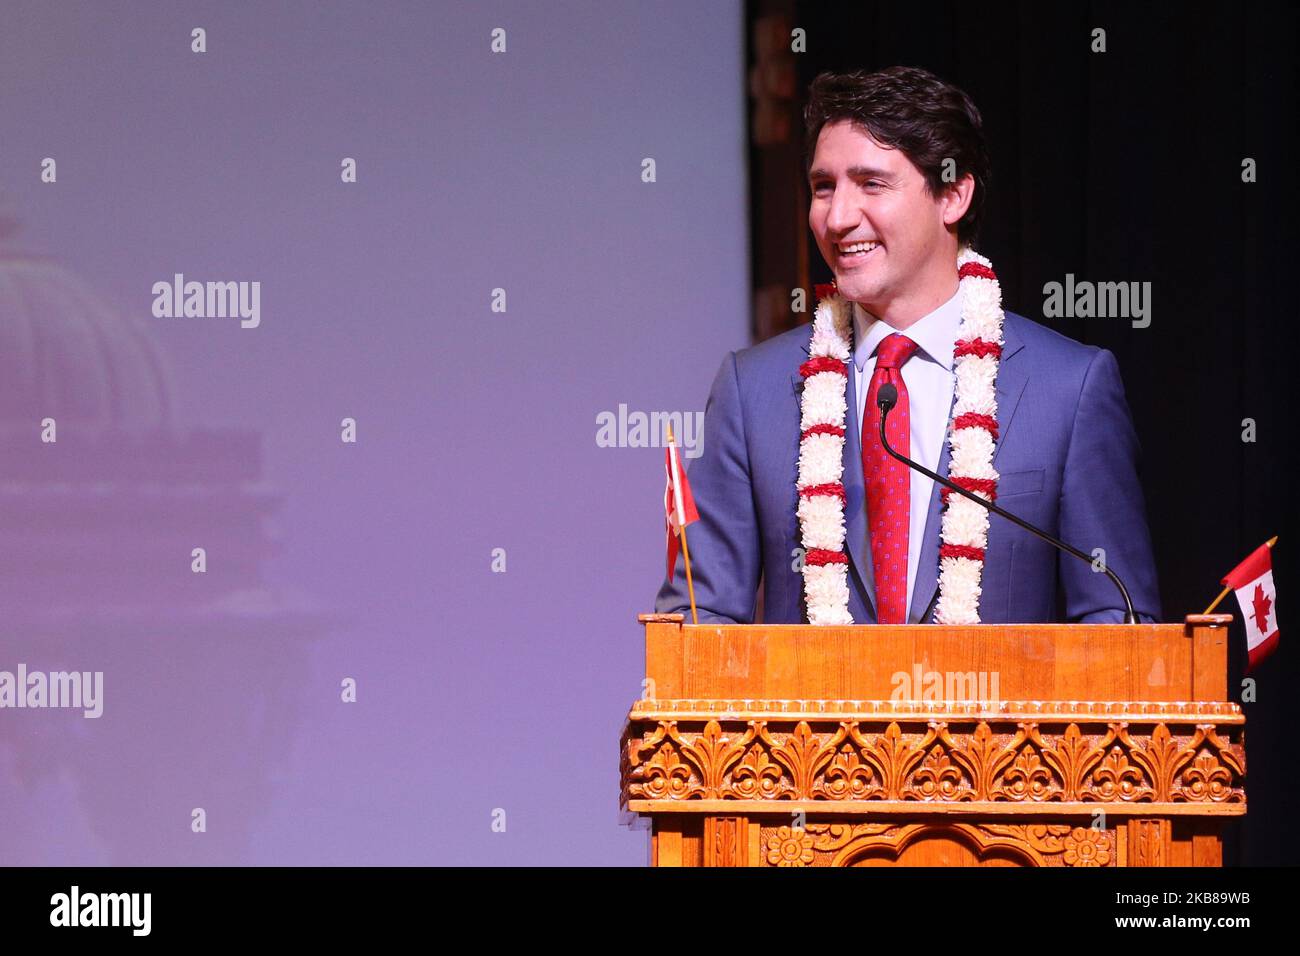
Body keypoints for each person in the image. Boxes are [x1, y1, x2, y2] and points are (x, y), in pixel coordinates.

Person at [655, 65, 1160, 626]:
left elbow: (1120, 623)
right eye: (824, 187)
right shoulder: (752, 392)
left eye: (872, 183)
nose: (839, 217)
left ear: (953, 195)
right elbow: (701, 626)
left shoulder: (1070, 388)